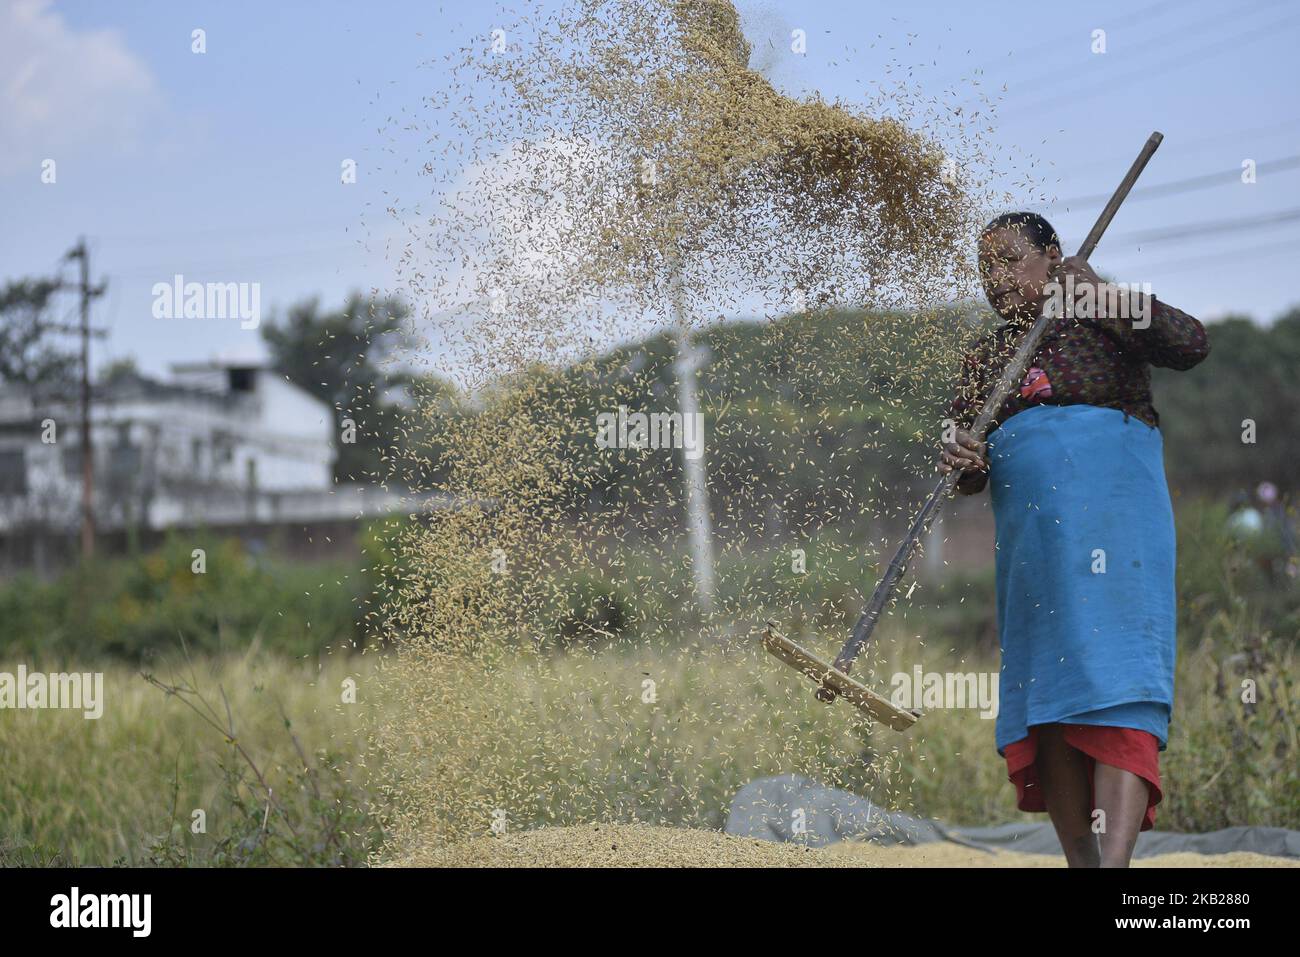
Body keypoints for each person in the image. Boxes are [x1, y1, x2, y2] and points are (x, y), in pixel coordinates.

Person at [938, 212, 1210, 867]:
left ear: (1053, 256)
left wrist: (1099, 293)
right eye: (985, 268)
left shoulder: (1103, 321)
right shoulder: (988, 356)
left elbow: (1191, 342)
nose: (996, 279)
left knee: (1117, 690)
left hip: (1119, 538)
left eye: (1009, 260)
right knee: (1051, 707)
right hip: (1035, 554)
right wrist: (961, 455)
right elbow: (962, 471)